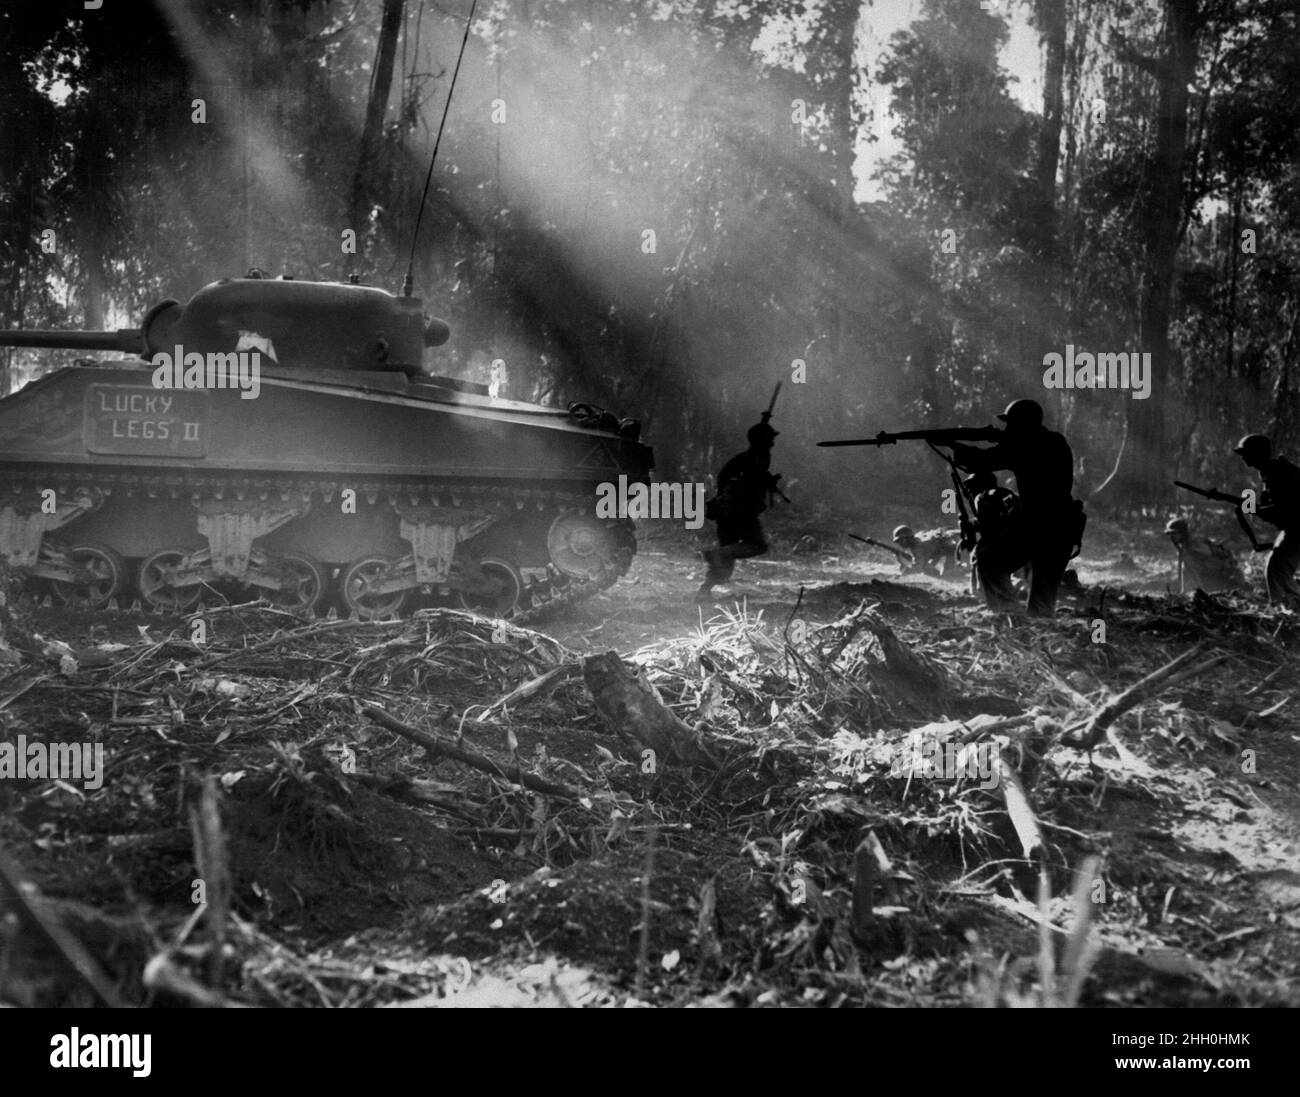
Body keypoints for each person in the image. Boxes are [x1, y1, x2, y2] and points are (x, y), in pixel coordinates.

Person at [947, 398, 1083, 616]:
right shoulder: (1056, 441)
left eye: (1012, 423)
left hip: (1039, 526)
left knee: (989, 561)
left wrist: (953, 445)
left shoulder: (1025, 446)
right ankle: (1035, 632)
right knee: (1043, 598)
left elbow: (983, 461)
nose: (1007, 428)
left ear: (1024, 424)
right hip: (1063, 526)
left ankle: (1009, 616)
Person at [698, 421, 782, 599]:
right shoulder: (755, 459)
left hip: (727, 512)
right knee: (757, 545)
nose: (773, 443)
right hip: (742, 512)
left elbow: (731, 479)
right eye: (769, 439)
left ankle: (704, 591)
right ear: (762, 441)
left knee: (725, 560)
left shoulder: (750, 459)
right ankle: (716, 554)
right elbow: (752, 479)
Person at [1233, 433, 1300, 607]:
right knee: (1276, 568)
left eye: (1246, 454)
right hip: (1293, 527)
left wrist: (1250, 508)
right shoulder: (1271, 472)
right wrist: (1247, 506)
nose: (1244, 459)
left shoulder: (1277, 474)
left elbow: (1280, 511)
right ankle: (1284, 608)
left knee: (1277, 568)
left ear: (1257, 454)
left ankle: (1287, 609)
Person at [1164, 517, 1243, 594]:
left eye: (1174, 533)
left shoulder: (1195, 544)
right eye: (1170, 534)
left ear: (1182, 532)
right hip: (1210, 576)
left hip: (1221, 576)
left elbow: (1214, 561)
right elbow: (1184, 570)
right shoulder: (1184, 547)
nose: (1171, 537)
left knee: (1189, 560)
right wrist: (1182, 591)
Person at [892, 524, 959, 577]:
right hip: (946, 545)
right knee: (928, 568)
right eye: (898, 541)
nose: (899, 543)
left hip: (953, 547)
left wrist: (903, 573)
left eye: (901, 540)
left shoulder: (918, 547)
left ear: (907, 538)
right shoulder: (916, 539)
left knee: (949, 577)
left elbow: (918, 568)